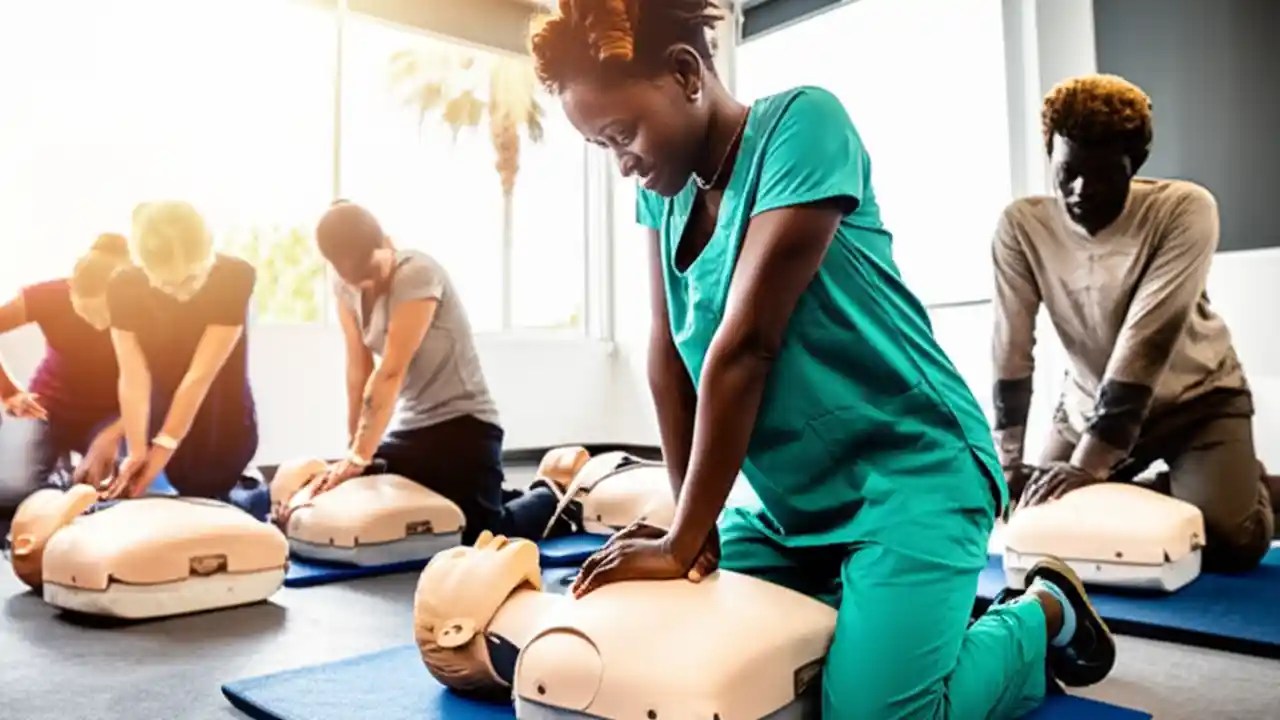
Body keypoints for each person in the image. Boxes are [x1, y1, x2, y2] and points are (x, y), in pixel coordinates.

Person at [527, 2, 1116, 718]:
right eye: (602, 148)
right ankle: (884, 611)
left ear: (685, 74)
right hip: (792, 505)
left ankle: (1042, 612)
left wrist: (683, 541)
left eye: (622, 135)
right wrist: (690, 522)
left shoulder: (804, 126)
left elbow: (745, 346)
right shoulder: (665, 198)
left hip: (914, 475)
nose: (623, 163)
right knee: (665, 630)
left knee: (871, 715)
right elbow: (667, 351)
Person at [991, 74, 1275, 572]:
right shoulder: (1022, 226)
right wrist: (1006, 465)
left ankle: (1247, 488)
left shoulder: (1184, 209)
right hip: (1086, 405)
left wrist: (1087, 469)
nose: (1082, 191)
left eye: (1103, 174)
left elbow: (1147, 341)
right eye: (1068, 172)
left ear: (1136, 164)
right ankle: (1181, 489)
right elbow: (1012, 346)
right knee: (1048, 530)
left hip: (1197, 401)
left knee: (1229, 539)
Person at [311, 201, 567, 544]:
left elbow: (390, 372)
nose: (366, 284)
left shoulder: (417, 273)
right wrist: (353, 455)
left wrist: (360, 456)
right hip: (410, 430)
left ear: (383, 242)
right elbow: (358, 369)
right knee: (401, 504)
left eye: (370, 270)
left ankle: (555, 495)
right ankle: (493, 494)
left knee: (484, 534)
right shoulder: (343, 286)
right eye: (354, 278)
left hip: (465, 426)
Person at [102, 201, 261, 509]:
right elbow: (133, 376)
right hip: (163, 398)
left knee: (211, 482)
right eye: (166, 285)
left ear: (210, 252)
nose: (181, 294)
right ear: (142, 265)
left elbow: (199, 375)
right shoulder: (123, 287)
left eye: (191, 279)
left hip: (220, 405)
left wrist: (163, 447)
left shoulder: (234, 276)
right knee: (166, 484)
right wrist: (137, 450)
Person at [0, 234, 131, 533]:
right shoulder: (49, 295)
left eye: (105, 315)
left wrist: (113, 434)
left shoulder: (145, 307)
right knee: (12, 491)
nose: (97, 323)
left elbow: (160, 383)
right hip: (48, 405)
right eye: (87, 312)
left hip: (116, 414)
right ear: (71, 289)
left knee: (117, 494)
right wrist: (8, 392)